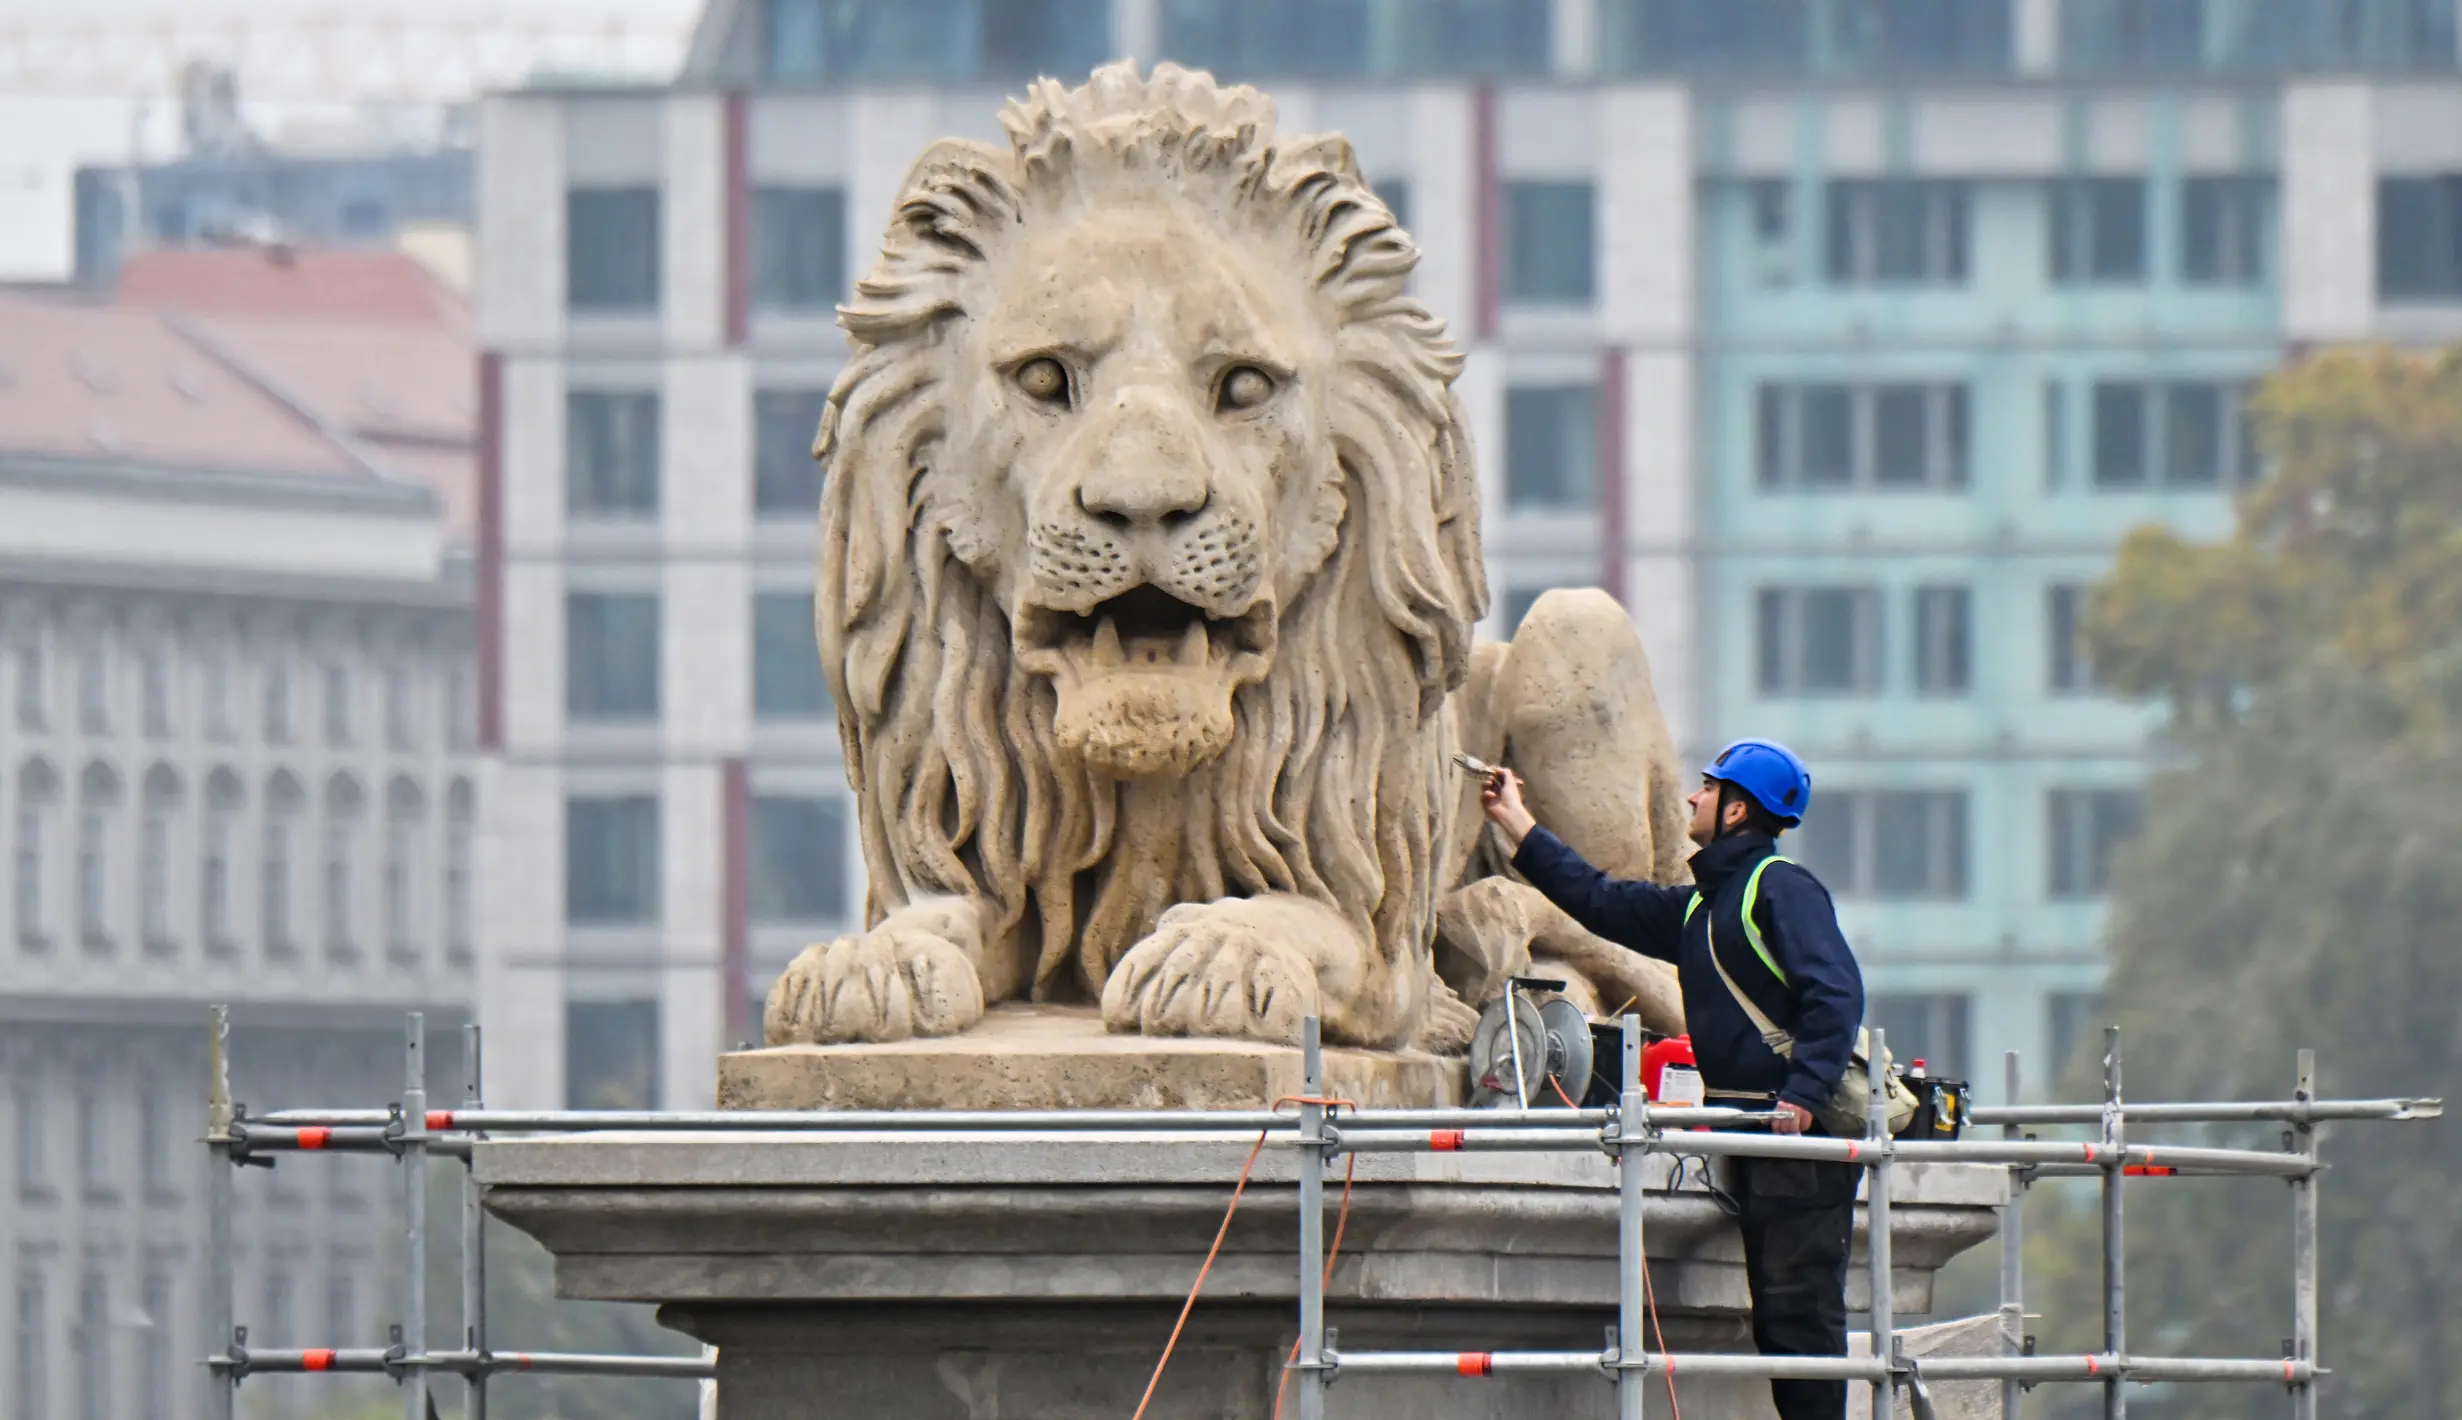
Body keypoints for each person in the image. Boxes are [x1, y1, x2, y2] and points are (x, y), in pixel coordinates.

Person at [1480, 737, 1865, 1420]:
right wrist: (1516, 820)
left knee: (1799, 1312)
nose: (1693, 796)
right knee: (1780, 1316)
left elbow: (1835, 995)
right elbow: (1599, 899)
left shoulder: (1780, 888)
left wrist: (1804, 1094)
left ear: (1738, 811)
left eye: (1709, 788)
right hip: (1751, 1131)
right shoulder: (1701, 907)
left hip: (1794, 1142)